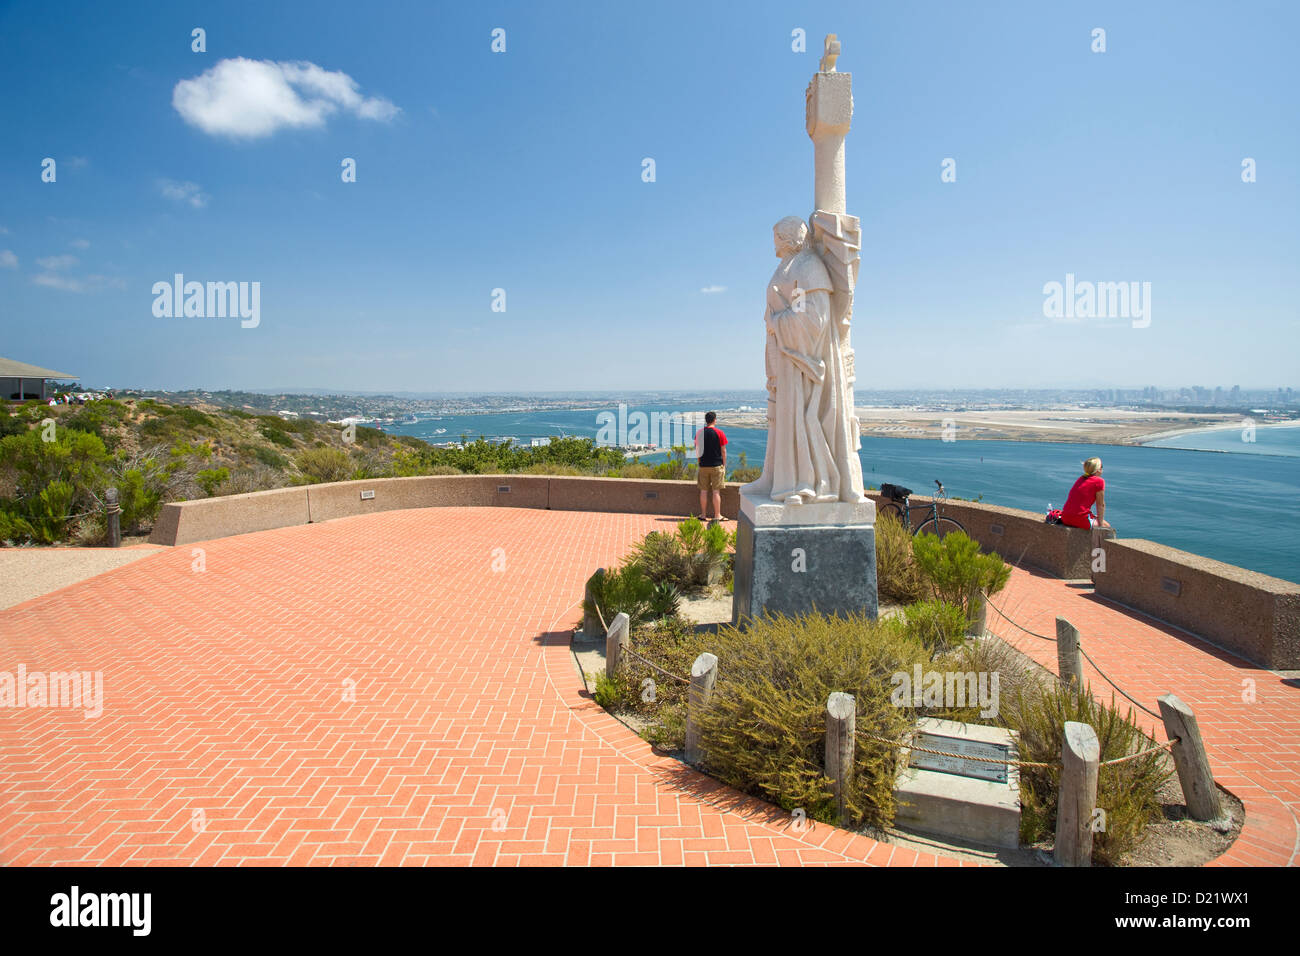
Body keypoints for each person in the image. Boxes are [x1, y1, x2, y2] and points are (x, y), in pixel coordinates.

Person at [694, 411, 727, 524]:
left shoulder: (699, 433)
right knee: (716, 492)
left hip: (703, 465)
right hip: (716, 465)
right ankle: (717, 515)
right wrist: (724, 464)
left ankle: (703, 515)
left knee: (703, 491)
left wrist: (700, 462)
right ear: (714, 420)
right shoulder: (719, 433)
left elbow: (698, 450)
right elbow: (723, 450)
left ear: (706, 420)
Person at [1061, 457, 1111, 530]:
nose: (1102, 469)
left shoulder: (1081, 478)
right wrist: (1100, 524)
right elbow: (1100, 504)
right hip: (1079, 519)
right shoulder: (1099, 481)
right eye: (1101, 467)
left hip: (1065, 517)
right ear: (1098, 470)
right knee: (1107, 527)